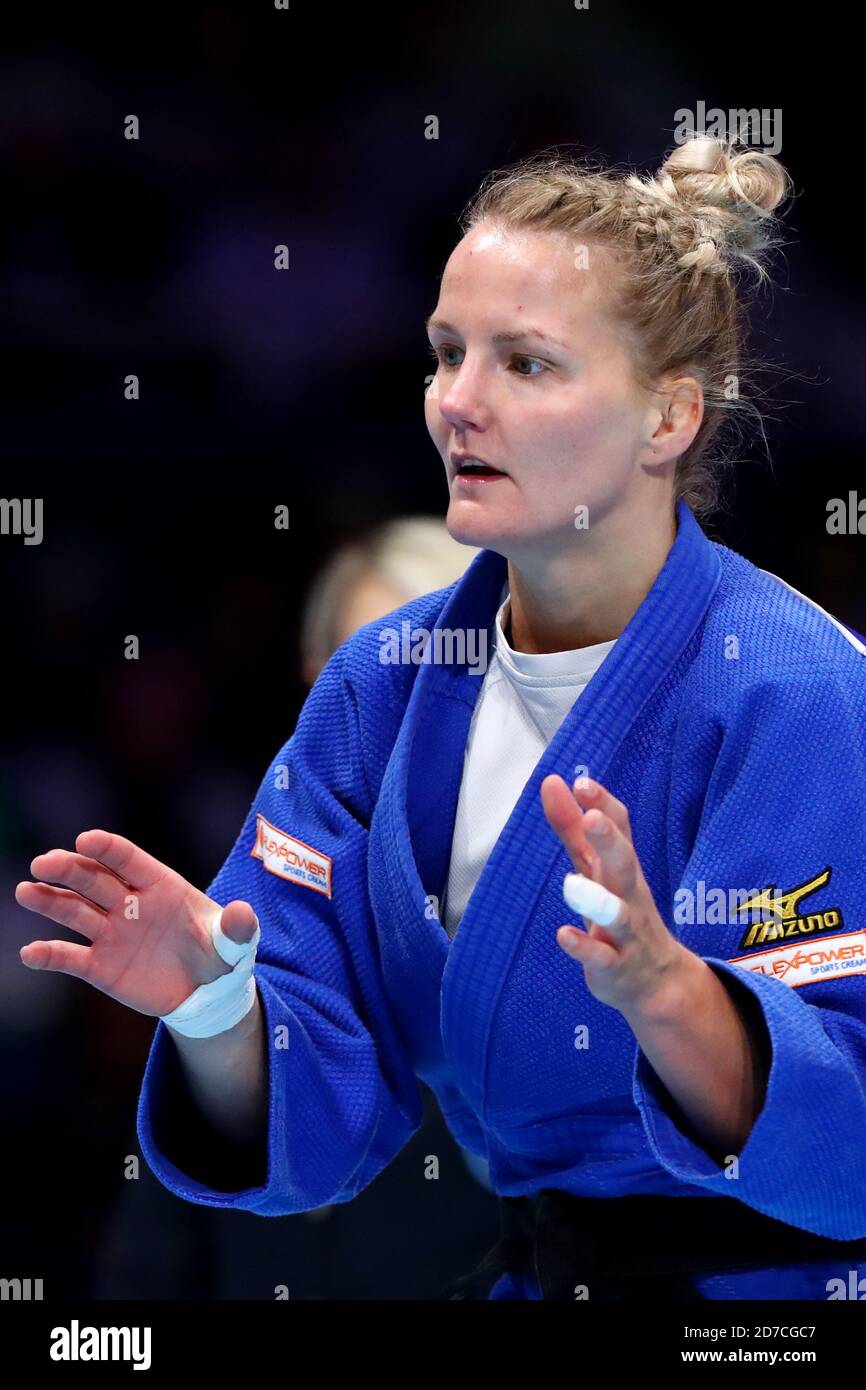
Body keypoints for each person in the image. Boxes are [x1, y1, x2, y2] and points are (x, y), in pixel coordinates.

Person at [17, 133, 866, 1300]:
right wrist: (212, 1002)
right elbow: (316, 1117)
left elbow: (851, 1148)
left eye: (524, 364)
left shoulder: (797, 688)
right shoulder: (383, 684)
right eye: (445, 353)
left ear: (668, 417)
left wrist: (672, 994)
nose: (455, 406)